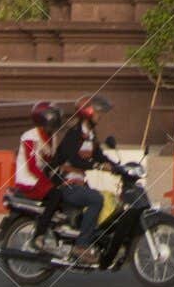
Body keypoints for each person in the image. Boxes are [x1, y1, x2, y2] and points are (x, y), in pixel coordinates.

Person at [52, 96, 111, 263]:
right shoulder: (74, 134)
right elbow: (76, 160)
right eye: (98, 113)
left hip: (79, 182)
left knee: (103, 198)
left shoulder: (90, 135)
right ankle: (81, 246)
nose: (100, 117)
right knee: (96, 199)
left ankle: (88, 238)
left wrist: (121, 168)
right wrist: (98, 166)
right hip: (65, 183)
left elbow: (99, 155)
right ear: (88, 113)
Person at [14, 102, 62, 247]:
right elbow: (32, 166)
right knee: (56, 195)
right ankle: (39, 235)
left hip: (40, 177)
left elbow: (51, 162)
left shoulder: (52, 137)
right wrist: (48, 183)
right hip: (29, 180)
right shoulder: (30, 136)